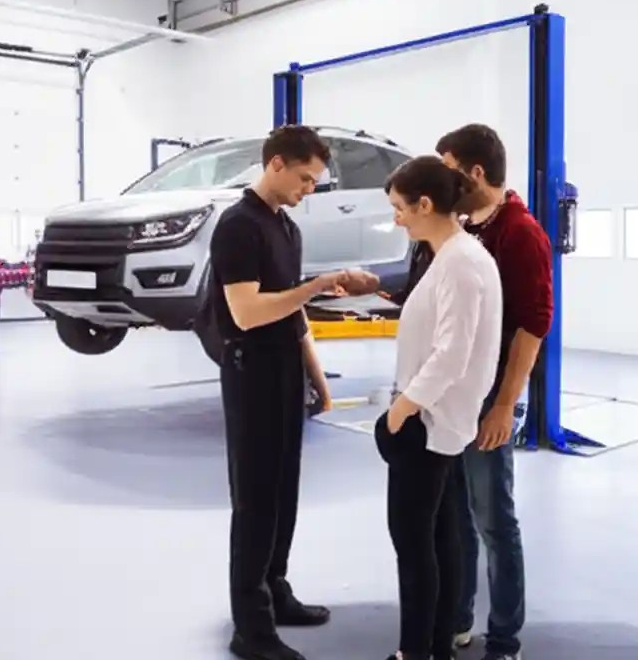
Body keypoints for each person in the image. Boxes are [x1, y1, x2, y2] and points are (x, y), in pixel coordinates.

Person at [207, 124, 373, 660]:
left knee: (284, 491)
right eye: (304, 178)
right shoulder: (239, 226)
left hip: (284, 368)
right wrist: (319, 285)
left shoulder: (286, 228)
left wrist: (315, 376)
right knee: (255, 499)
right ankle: (250, 628)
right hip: (251, 369)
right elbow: (247, 312)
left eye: (314, 181)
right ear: (276, 164)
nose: (309, 189)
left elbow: (291, 312)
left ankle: (275, 591)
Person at [375, 156, 503, 660]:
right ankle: (434, 648)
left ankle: (415, 652)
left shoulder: (461, 263)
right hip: (439, 423)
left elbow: (452, 353)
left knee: (415, 547)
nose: (397, 219)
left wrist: (401, 411)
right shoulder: (453, 257)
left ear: (425, 204)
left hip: (427, 425)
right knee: (441, 541)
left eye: (399, 208)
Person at [439, 124, 553, 660]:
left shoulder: (520, 233)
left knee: (493, 520)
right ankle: (458, 619)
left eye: (449, 170)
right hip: (456, 395)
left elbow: (534, 325)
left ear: (475, 172)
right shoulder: (464, 227)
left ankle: (504, 639)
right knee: (456, 516)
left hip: (490, 395)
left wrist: (505, 404)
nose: (443, 182)